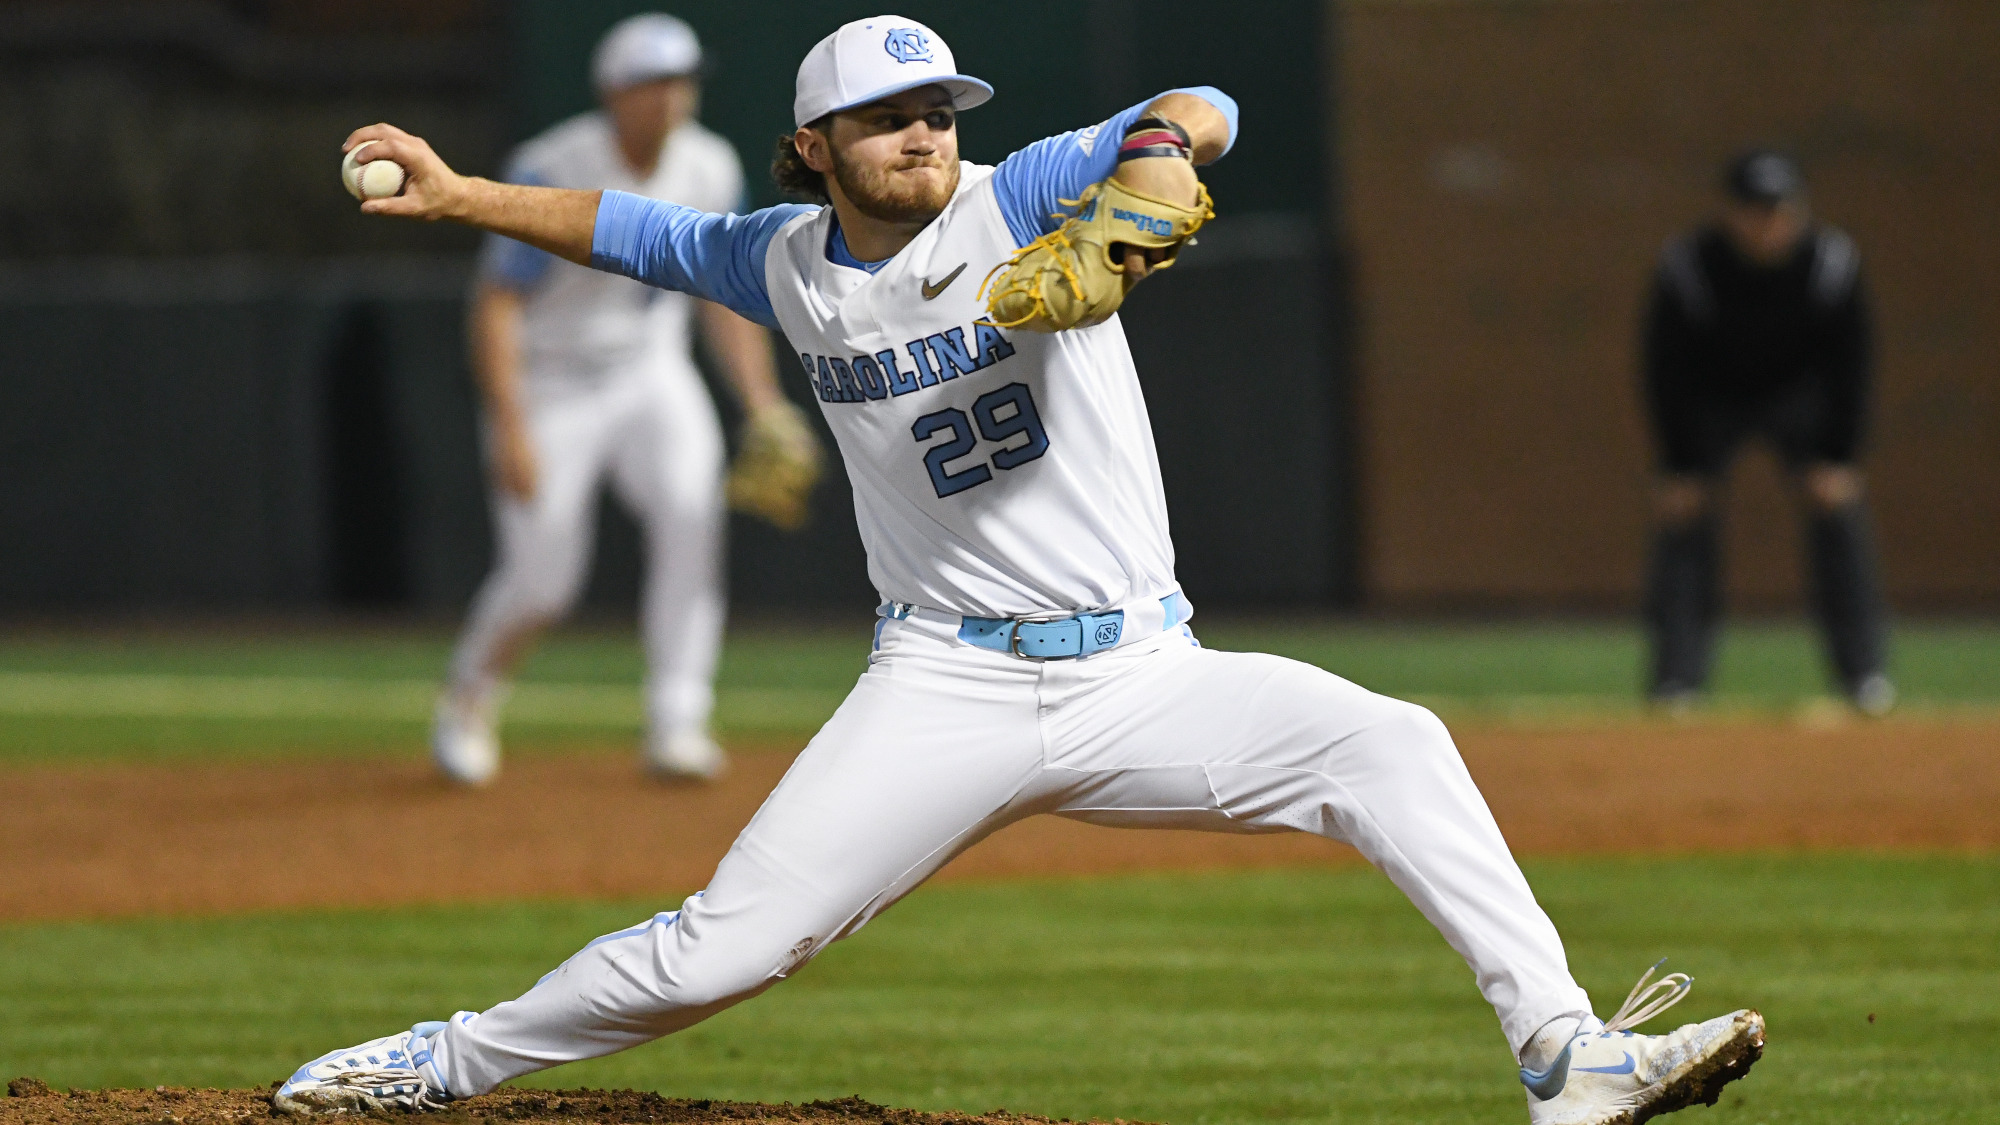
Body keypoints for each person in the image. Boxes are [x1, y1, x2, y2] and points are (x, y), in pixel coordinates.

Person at [281, 17, 1764, 1124]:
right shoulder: (782, 261)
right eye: (884, 118)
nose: (923, 134)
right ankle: (444, 1060)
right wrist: (464, 193)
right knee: (712, 957)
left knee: (1394, 744)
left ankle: (1567, 1055)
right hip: (943, 679)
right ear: (815, 149)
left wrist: (1161, 157)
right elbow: (628, 230)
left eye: (936, 108)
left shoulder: (1027, 189)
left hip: (1141, 672)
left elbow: (1204, 103)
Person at [433, 14, 821, 786]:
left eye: (681, 81)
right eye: (652, 83)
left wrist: (763, 402)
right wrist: (509, 423)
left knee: (690, 514)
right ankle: (469, 697)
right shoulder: (553, 164)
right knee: (542, 577)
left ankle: (678, 718)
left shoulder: (707, 165)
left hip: (650, 372)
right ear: (613, 92)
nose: (671, 98)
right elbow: (497, 302)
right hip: (550, 383)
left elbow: (725, 294)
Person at [1642, 150, 1893, 715]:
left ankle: (1864, 676)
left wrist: (1838, 455)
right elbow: (1665, 366)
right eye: (1754, 210)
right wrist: (1679, 463)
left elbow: (1852, 364)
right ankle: (1676, 682)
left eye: (1778, 210)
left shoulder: (1830, 261)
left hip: (1798, 397)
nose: (1766, 223)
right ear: (1729, 212)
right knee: (1683, 520)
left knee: (1839, 514)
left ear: (1798, 212)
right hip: (1713, 398)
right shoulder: (1689, 264)